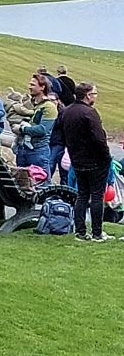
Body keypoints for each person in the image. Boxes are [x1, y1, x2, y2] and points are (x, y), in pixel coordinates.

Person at [58, 82, 111, 241]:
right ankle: (97, 233)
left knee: (82, 195)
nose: (95, 96)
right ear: (88, 95)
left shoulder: (67, 111)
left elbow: (62, 135)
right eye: (94, 94)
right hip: (95, 160)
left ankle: (80, 232)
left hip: (77, 159)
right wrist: (106, 156)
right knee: (96, 196)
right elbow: (99, 138)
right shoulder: (89, 113)